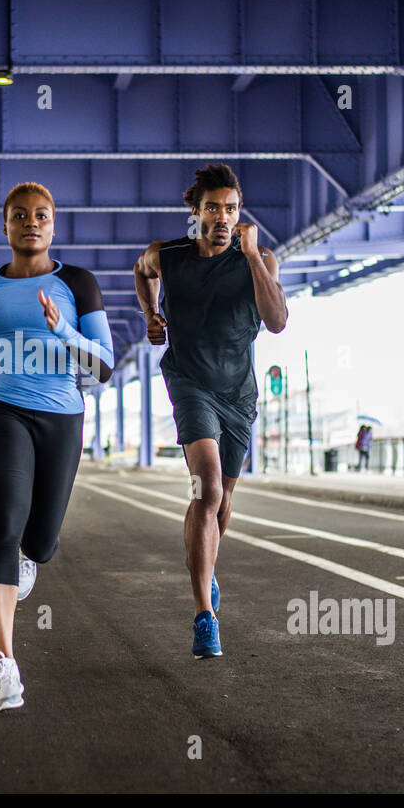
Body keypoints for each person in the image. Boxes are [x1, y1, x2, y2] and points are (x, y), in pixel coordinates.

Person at [0, 182, 114, 713]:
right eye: (20, 215)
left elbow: (103, 367)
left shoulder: (79, 284)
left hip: (62, 417)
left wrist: (63, 329)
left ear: (53, 225)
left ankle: (30, 556)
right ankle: (5, 666)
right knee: (1, 529)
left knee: (39, 541)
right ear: (5, 226)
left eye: (41, 215)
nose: (31, 223)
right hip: (2, 414)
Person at [133, 163, 288, 659]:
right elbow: (140, 271)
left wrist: (252, 258)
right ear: (195, 212)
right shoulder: (169, 255)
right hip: (190, 382)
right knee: (208, 486)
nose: (223, 217)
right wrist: (150, 314)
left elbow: (278, 321)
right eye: (213, 208)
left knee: (221, 504)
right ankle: (205, 615)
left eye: (232, 209)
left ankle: (207, 568)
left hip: (239, 395)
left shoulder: (258, 259)